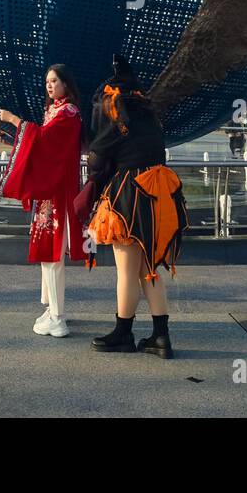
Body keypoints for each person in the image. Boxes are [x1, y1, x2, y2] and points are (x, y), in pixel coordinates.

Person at [82, 55, 188, 358]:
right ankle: (161, 337)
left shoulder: (118, 115)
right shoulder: (150, 117)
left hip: (128, 195)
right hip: (159, 193)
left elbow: (97, 157)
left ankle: (123, 333)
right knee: (149, 269)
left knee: (126, 271)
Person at [0, 65, 86, 338]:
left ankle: (58, 317)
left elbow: (45, 142)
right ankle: (52, 309)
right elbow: (42, 146)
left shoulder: (68, 114)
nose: (50, 86)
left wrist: (14, 120)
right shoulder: (57, 112)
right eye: (47, 81)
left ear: (66, 84)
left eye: (55, 81)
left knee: (52, 255)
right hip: (52, 192)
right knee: (49, 255)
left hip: (58, 192)